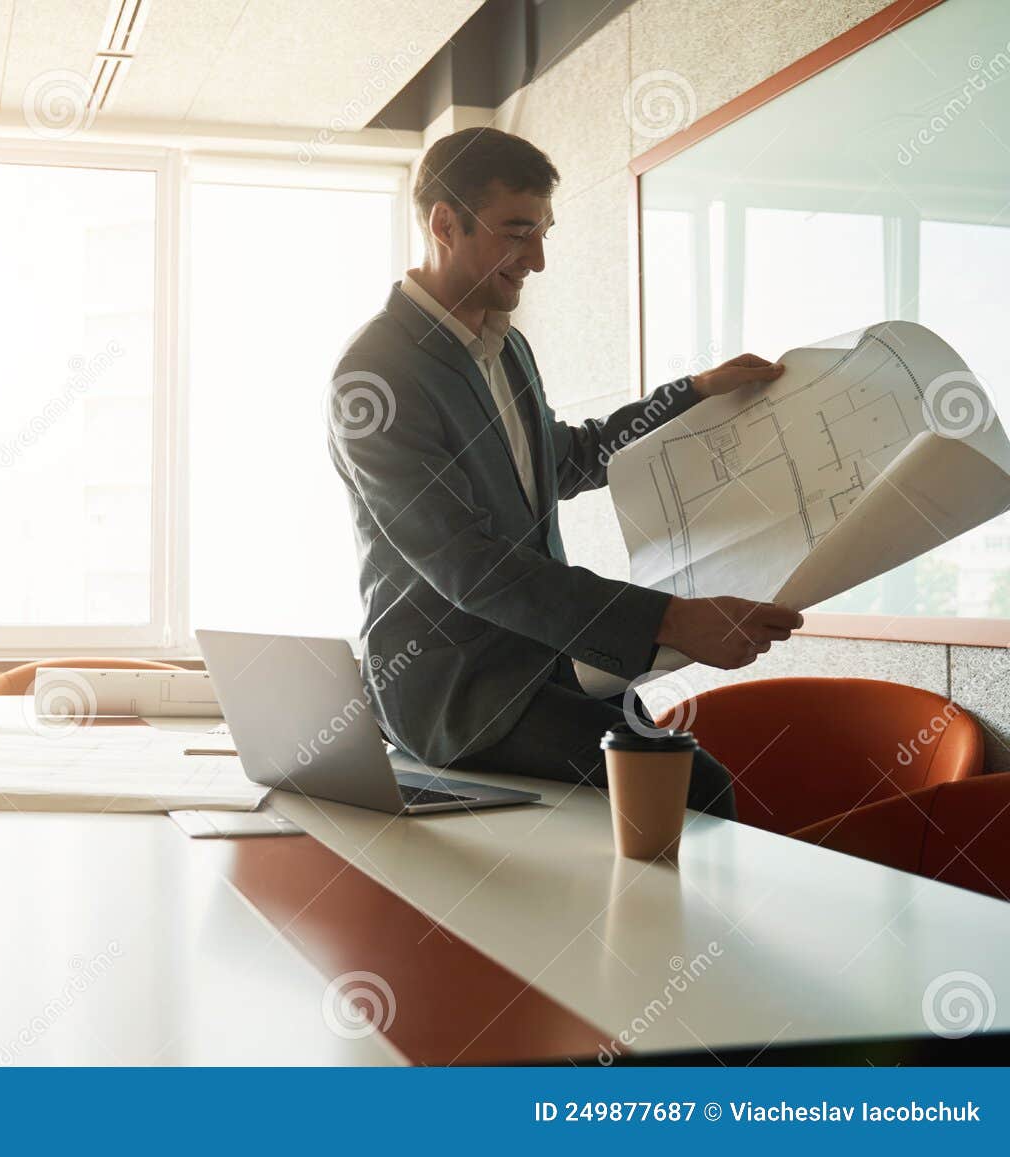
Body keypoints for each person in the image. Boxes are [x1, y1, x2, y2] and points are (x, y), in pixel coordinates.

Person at [325, 128, 802, 819]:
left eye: (544, 232)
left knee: (676, 778)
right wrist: (670, 619)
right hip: (455, 692)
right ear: (444, 224)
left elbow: (567, 458)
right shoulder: (375, 378)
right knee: (691, 789)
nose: (538, 260)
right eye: (518, 233)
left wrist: (692, 393)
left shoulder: (505, 346)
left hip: (539, 667)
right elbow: (469, 564)